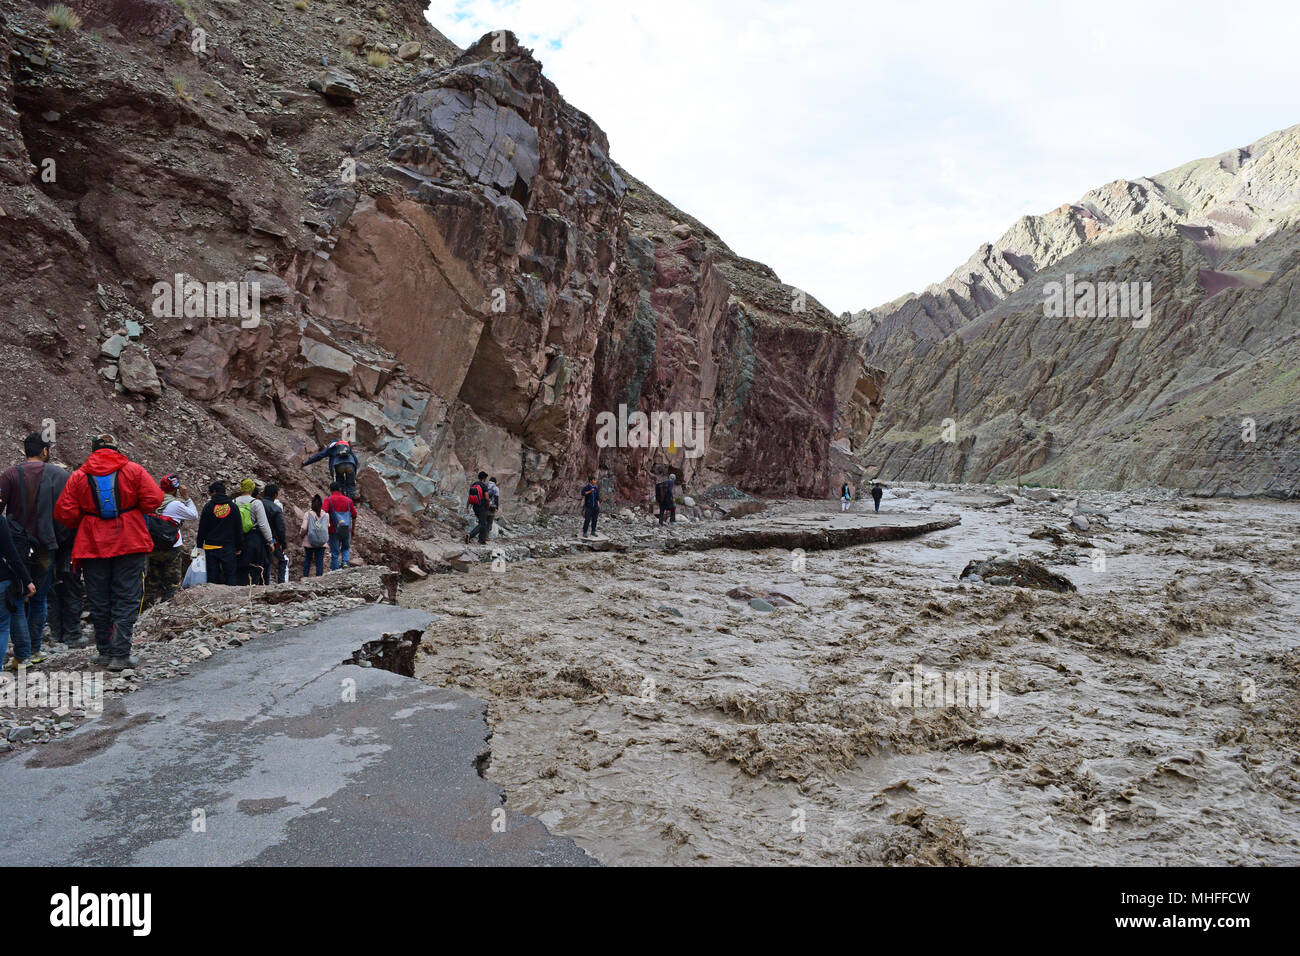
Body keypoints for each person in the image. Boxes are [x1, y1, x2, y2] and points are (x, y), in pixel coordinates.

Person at [52, 433, 164, 671]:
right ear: (116, 449)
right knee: (127, 597)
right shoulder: (133, 470)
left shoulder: (79, 476)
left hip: (92, 545)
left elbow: (64, 512)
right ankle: (121, 654)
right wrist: (133, 510)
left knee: (98, 599)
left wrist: (85, 521)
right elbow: (154, 499)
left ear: (93, 450)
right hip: (130, 541)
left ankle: (104, 651)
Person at [0, 431, 71, 666]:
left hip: (16, 546)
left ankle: (22, 653)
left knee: (17, 596)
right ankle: (33, 649)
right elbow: (68, 513)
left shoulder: (10, 474)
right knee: (39, 597)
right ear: (44, 451)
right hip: (45, 546)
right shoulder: (60, 475)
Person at [144, 474, 198, 608]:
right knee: (172, 582)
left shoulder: (152, 501)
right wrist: (186, 497)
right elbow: (194, 515)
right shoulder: (174, 504)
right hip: (172, 546)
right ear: (175, 489)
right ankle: (167, 609)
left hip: (153, 545)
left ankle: (144, 610)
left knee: (151, 579)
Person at [0, 516, 35, 676]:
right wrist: (27, 580)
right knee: (3, 626)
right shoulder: (1, 521)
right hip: (3, 580)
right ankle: (23, 656)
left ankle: (22, 656)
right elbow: (11, 553)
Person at [195, 481, 243, 586]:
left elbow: (202, 528)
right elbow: (238, 528)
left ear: (214, 492)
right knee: (230, 575)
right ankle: (232, 598)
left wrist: (199, 545)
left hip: (210, 547)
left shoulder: (208, 507)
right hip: (228, 547)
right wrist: (239, 546)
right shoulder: (233, 507)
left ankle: (213, 601)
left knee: (212, 577)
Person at [234, 478, 274, 585]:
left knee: (239, 568)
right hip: (254, 539)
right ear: (252, 489)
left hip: (237, 539)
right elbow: (263, 524)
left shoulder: (233, 502)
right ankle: (252, 589)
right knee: (254, 568)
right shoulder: (256, 503)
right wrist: (270, 541)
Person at [324, 481, 357, 570]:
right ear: (340, 489)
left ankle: (335, 570)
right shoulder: (348, 500)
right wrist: (353, 529)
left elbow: (323, 512)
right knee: (346, 547)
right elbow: (354, 515)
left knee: (334, 552)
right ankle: (345, 563)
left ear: (330, 490)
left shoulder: (328, 500)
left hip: (333, 530)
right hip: (347, 529)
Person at [261, 482, 288, 585]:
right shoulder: (276, 509)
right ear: (276, 495)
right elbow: (280, 529)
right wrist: (283, 544)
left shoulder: (256, 504)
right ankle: (280, 583)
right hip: (272, 540)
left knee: (261, 562)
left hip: (255, 538)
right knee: (280, 560)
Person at [300, 494, 329, 577]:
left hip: (309, 541)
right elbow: (326, 527)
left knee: (308, 559)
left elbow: (304, 528)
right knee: (319, 561)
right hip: (322, 542)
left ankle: (305, 577)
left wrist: (301, 535)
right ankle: (319, 578)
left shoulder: (308, 514)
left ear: (312, 504)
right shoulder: (326, 515)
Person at [465, 471, 492, 544]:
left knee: (483, 522)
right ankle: (470, 535)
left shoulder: (474, 484)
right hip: (482, 507)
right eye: (486, 478)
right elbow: (486, 498)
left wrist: (467, 507)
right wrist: (489, 505)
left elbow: (469, 497)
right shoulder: (484, 486)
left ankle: (481, 540)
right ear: (484, 478)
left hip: (475, 506)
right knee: (482, 523)